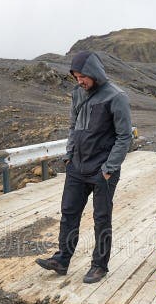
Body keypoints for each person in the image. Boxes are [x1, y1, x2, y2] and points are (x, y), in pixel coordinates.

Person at [35, 51, 132, 283]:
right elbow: (72, 126)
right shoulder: (78, 93)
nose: (80, 81)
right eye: (76, 77)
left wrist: (108, 168)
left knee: (101, 218)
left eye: (83, 77)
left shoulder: (116, 97)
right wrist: (69, 156)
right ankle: (61, 260)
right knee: (69, 213)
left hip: (102, 170)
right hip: (77, 167)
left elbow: (124, 136)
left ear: (95, 73)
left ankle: (99, 265)